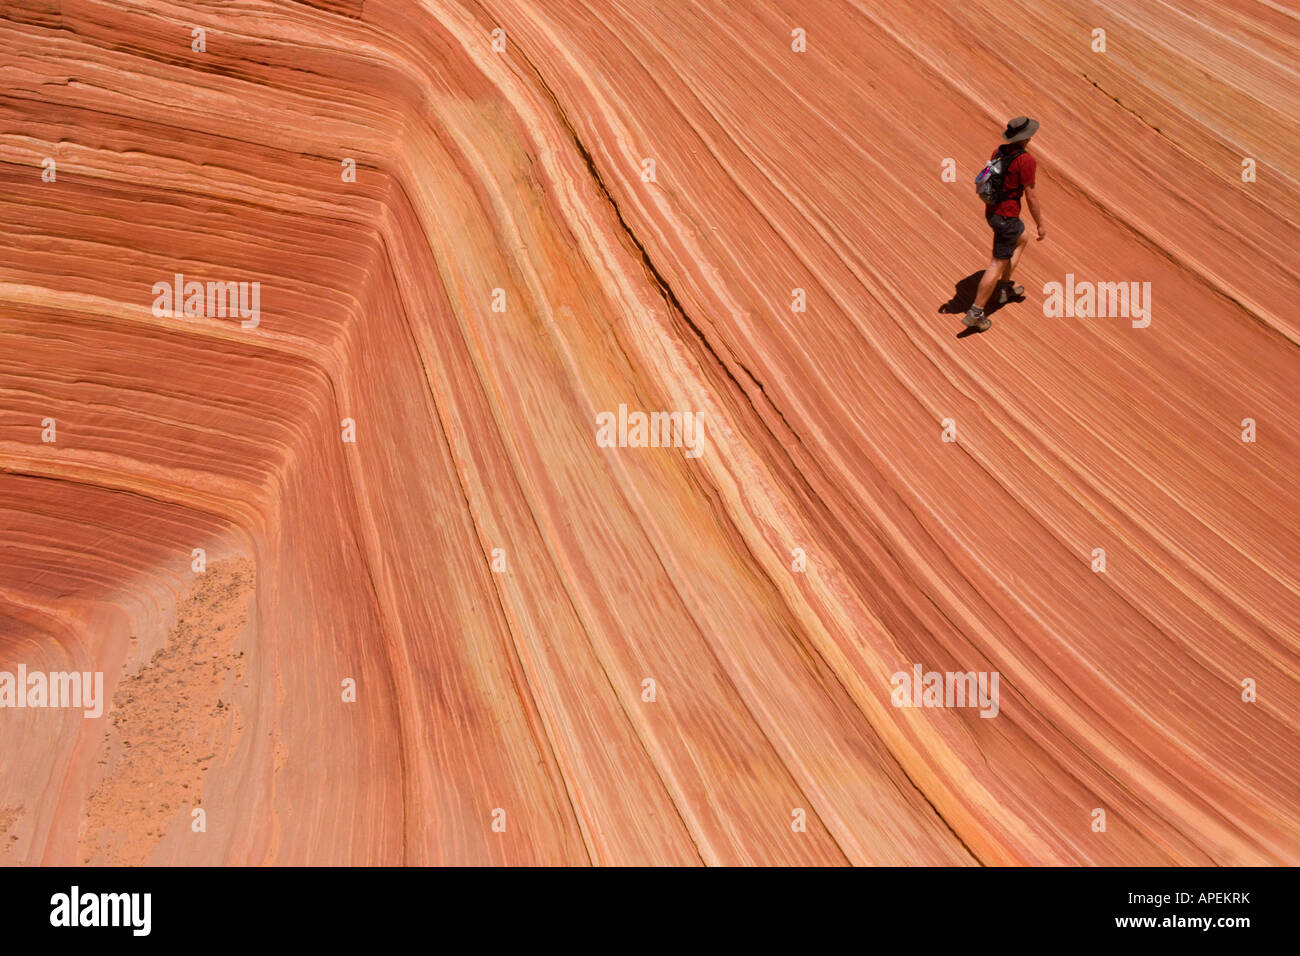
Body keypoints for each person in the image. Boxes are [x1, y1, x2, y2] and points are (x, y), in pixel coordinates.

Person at [964, 116, 1047, 332]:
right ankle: (975, 312)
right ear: (1027, 136)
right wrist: (1040, 224)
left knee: (1022, 238)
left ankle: (1004, 288)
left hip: (993, 211)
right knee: (997, 262)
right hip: (1006, 217)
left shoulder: (999, 151)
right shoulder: (1026, 161)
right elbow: (1031, 196)